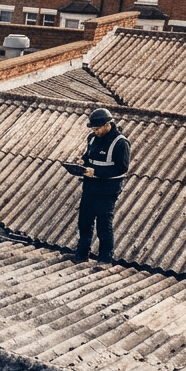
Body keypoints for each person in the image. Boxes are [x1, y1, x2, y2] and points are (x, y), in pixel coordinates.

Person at [74, 107, 131, 263]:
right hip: (90, 187)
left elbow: (122, 168)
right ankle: (81, 255)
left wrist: (96, 172)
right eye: (93, 128)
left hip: (107, 191)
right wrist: (81, 163)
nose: (95, 131)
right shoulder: (92, 138)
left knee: (103, 225)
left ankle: (105, 258)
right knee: (84, 222)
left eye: (98, 128)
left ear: (108, 125)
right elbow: (88, 157)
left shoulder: (120, 143)